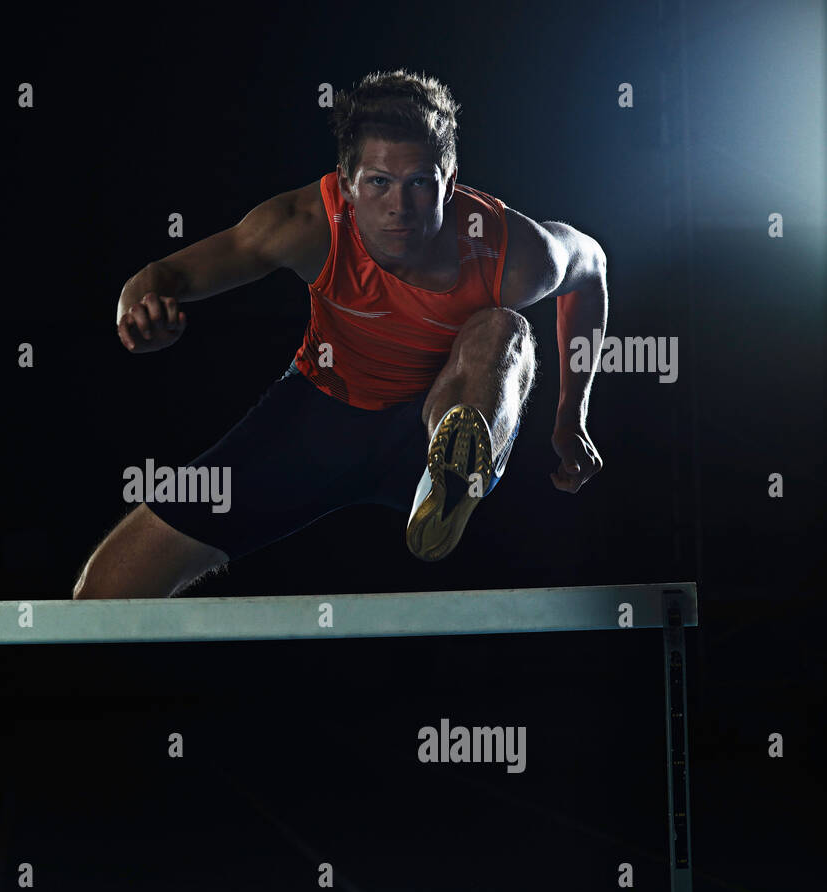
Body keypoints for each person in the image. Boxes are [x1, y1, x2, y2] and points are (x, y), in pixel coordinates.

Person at [74, 69, 606, 599]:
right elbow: (164, 277)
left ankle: (450, 477)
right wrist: (138, 314)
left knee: (502, 328)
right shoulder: (306, 222)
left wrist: (570, 416)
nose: (400, 206)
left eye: (420, 182)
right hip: (319, 417)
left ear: (450, 178)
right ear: (348, 184)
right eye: (378, 183)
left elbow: (593, 269)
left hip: (428, 425)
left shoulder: (511, 250)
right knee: (103, 593)